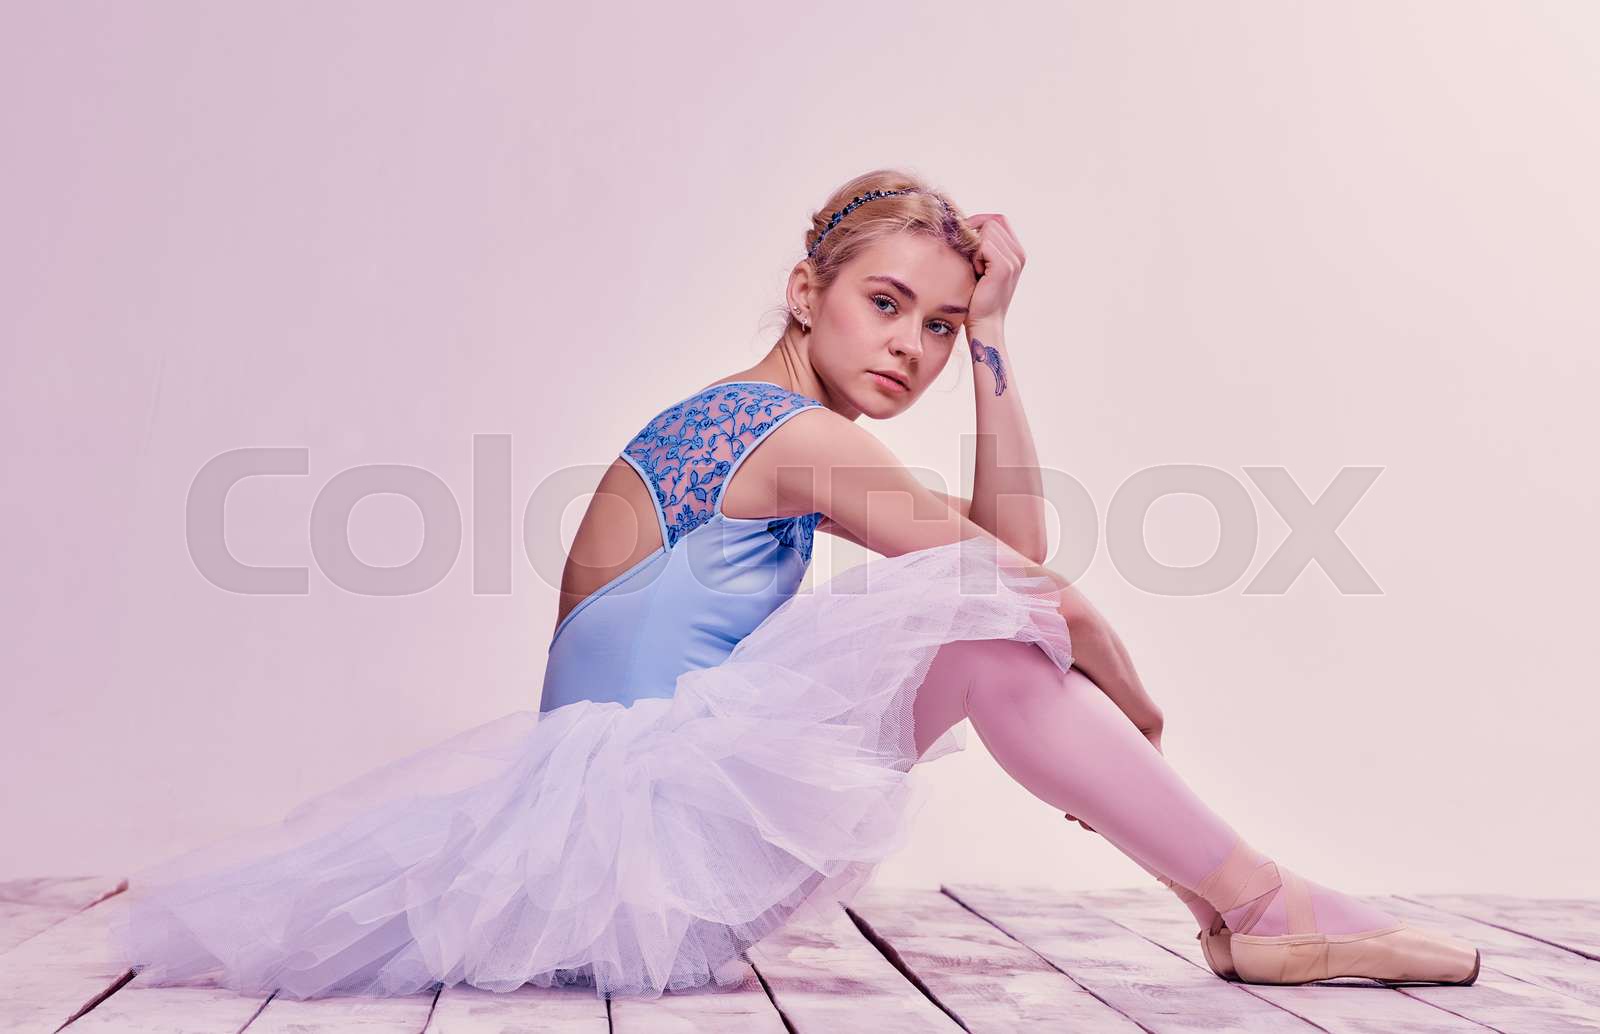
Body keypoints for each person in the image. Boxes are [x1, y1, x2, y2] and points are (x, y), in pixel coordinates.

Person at [109, 169, 1480, 1001]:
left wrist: (999, 340)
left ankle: (1245, 906)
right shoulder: (790, 438)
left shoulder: (746, 421)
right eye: (886, 303)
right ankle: (1262, 905)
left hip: (631, 830)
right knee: (1004, 633)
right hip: (653, 848)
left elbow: (1005, 555)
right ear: (803, 290)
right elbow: (1035, 586)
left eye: (941, 324)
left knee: (985, 614)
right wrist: (1125, 681)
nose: (913, 348)